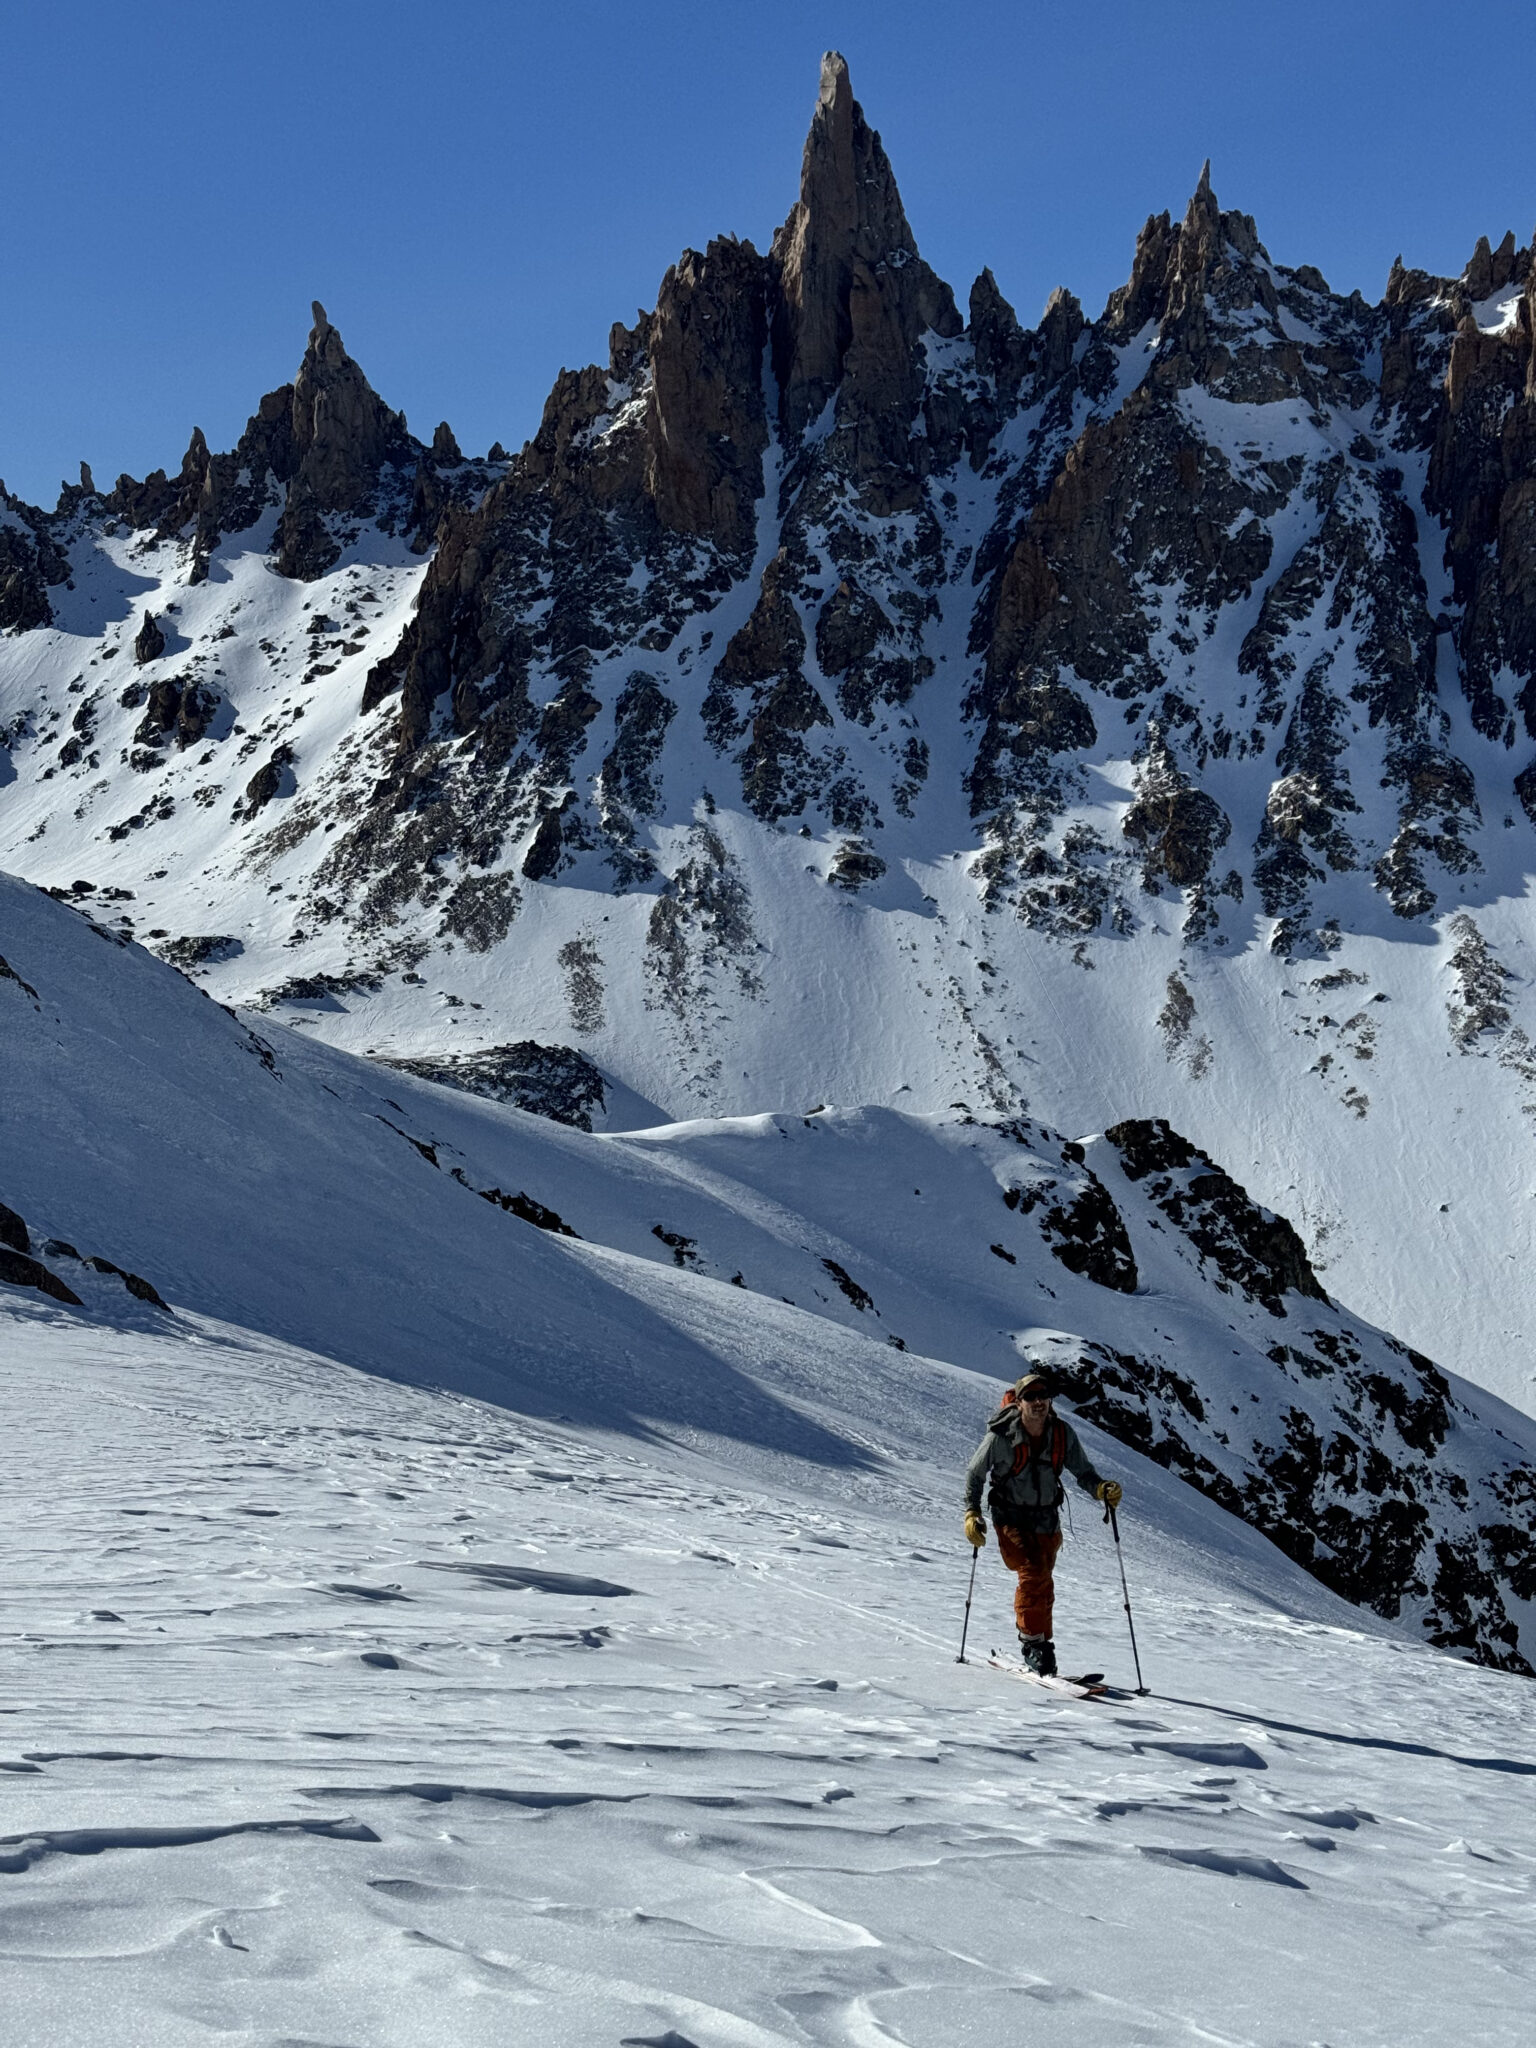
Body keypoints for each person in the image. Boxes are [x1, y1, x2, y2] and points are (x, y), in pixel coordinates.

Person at [962, 1367, 1122, 1676]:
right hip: (1010, 1516)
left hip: (1047, 1518)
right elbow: (975, 1473)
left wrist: (1102, 1490)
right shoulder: (1000, 1437)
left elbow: (1084, 1472)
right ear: (1018, 1403)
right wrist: (972, 1512)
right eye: (1031, 1397)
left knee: (1043, 1581)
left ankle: (1042, 1644)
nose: (1039, 1402)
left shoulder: (1062, 1435)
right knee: (1033, 1573)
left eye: (1044, 1396)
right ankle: (1033, 1644)